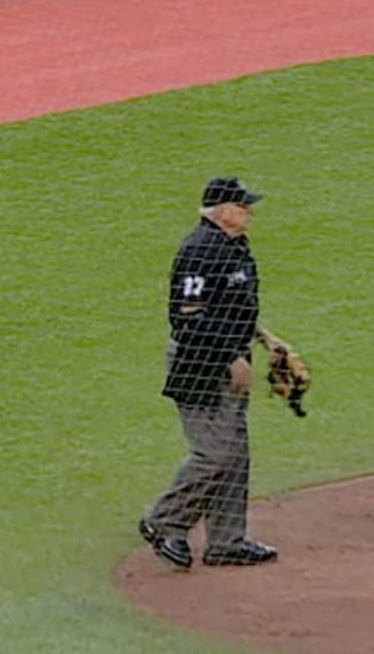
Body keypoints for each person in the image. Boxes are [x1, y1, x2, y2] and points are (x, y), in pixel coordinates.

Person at [139, 176, 279, 571]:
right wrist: (229, 357)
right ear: (220, 211)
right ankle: (163, 521)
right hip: (199, 362)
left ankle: (226, 542)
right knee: (215, 453)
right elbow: (188, 318)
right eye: (241, 206)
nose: (248, 211)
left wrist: (266, 340)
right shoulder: (199, 251)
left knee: (235, 454)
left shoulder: (234, 246)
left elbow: (233, 308)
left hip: (231, 359)